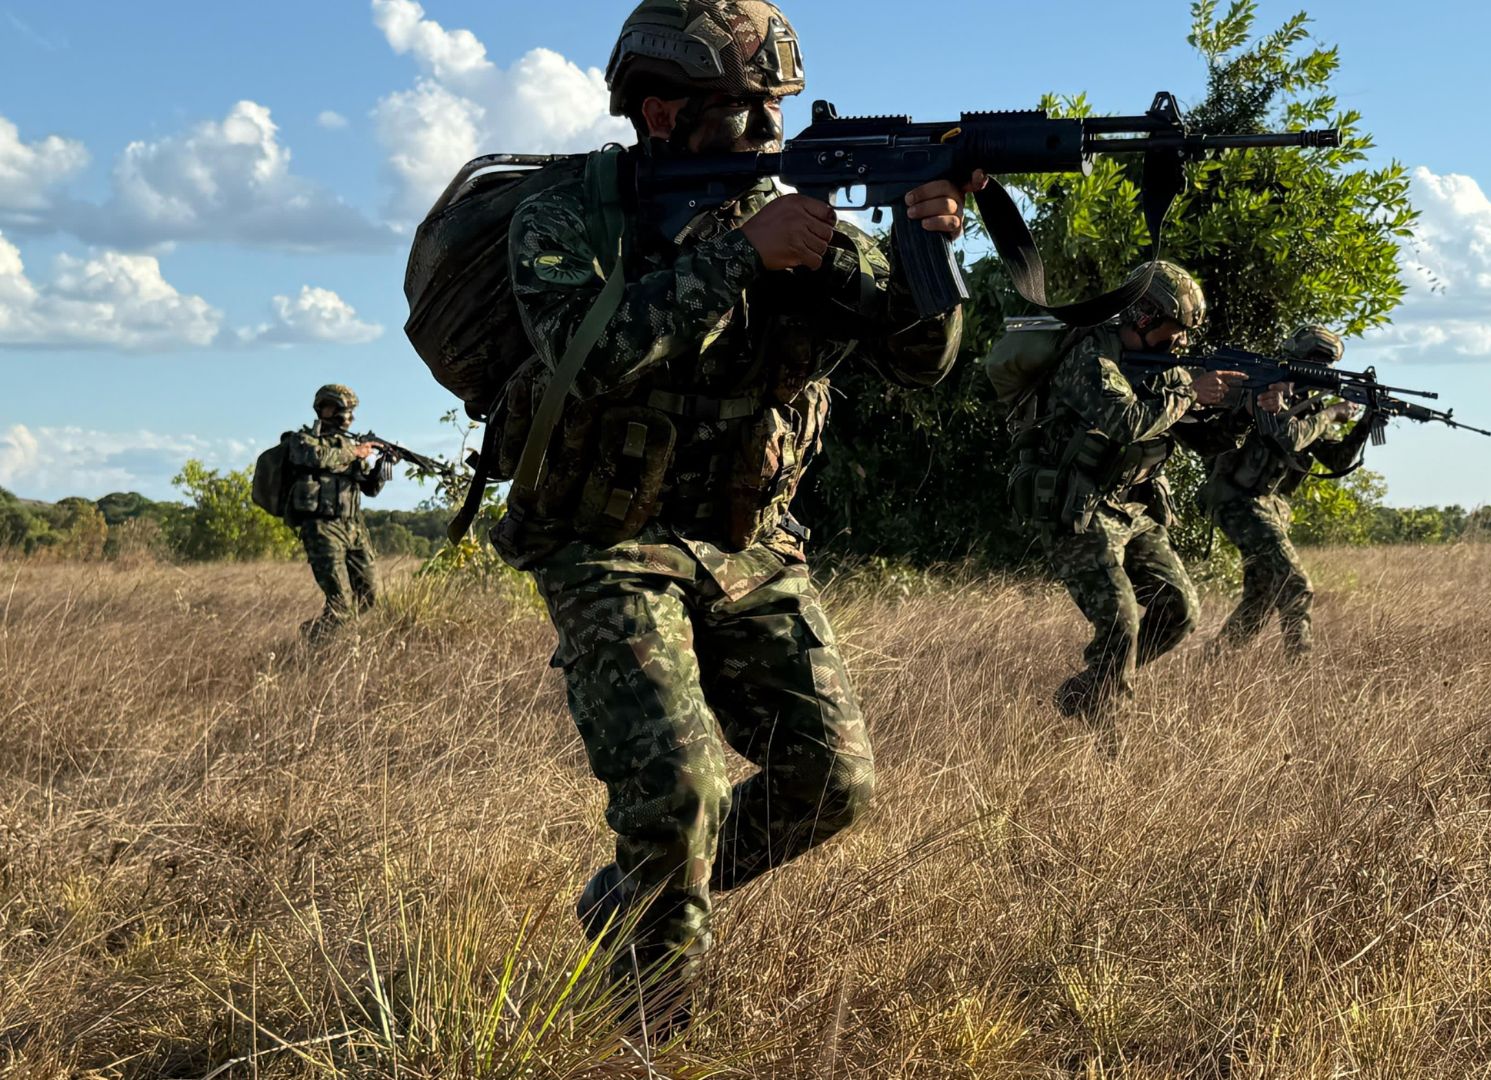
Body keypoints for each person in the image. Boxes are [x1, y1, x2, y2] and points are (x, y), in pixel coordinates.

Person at [494, 0, 983, 1034]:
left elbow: (920, 361)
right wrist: (741, 256)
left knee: (832, 784)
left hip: (747, 541)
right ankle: (647, 1026)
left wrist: (928, 240)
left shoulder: (801, 224)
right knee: (681, 794)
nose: (770, 128)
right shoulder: (566, 215)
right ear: (661, 111)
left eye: (779, 105)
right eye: (745, 105)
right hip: (606, 538)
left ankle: (639, 898)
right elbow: (589, 356)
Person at [1013, 261, 1251, 723]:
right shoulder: (1089, 359)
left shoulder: (1165, 369)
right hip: (1080, 506)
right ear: (1144, 316)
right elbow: (1126, 422)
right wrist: (1191, 394)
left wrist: (1243, 413)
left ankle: (1089, 690)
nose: (1182, 341)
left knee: (1179, 610)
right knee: (1121, 621)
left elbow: (1202, 441)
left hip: (1134, 506)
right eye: (1175, 328)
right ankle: (1109, 741)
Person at [1201, 326, 1370, 654]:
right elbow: (1290, 437)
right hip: (1237, 501)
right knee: (1296, 586)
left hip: (1263, 506)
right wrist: (1333, 412)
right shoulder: (1264, 385)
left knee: (1262, 596)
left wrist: (1365, 421)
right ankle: (1301, 672)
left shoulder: (1304, 404)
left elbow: (1335, 460)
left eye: (1325, 364)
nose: (1321, 369)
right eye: (1314, 361)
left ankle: (1216, 658)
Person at [285, 384, 390, 641]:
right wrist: (355, 452)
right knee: (340, 605)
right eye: (340, 409)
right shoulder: (303, 439)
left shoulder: (349, 447)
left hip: (354, 528)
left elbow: (370, 488)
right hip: (323, 529)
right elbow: (316, 457)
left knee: (369, 597)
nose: (347, 416)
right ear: (323, 408)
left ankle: (331, 639)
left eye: (350, 411)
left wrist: (382, 466)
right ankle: (314, 645)